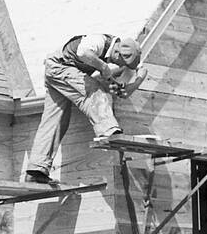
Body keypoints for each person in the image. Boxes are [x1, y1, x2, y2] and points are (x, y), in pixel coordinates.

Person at [25, 34, 146, 186]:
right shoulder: (99, 41)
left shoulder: (117, 55)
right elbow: (83, 53)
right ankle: (109, 132)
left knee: (56, 120)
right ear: (117, 52)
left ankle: (36, 170)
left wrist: (138, 79)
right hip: (60, 67)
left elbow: (120, 89)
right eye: (120, 62)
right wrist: (103, 67)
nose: (119, 65)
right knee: (93, 90)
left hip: (57, 73)